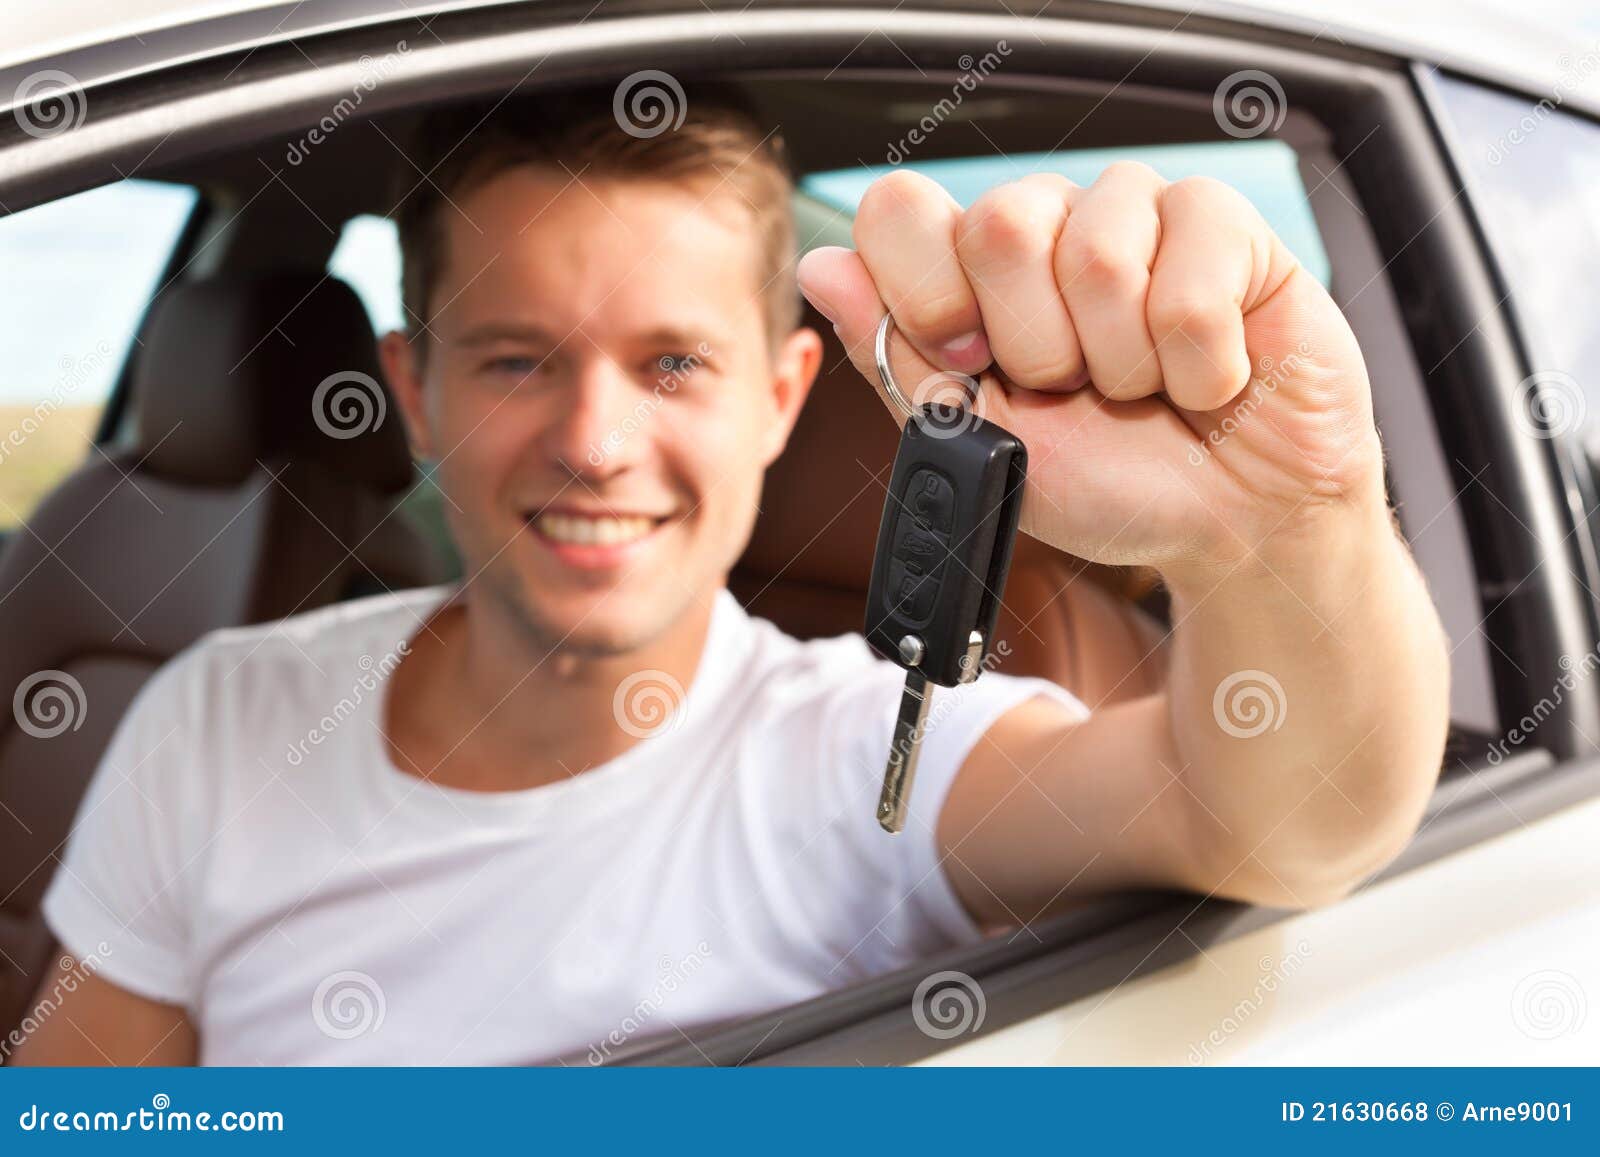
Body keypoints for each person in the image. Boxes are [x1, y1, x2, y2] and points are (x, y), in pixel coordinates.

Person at [12, 83, 1448, 1066]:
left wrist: (1282, 530)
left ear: (780, 396)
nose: (593, 443)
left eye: (672, 364)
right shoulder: (221, 714)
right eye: (515, 361)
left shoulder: (857, 755)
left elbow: (1282, 822)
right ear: (414, 391)